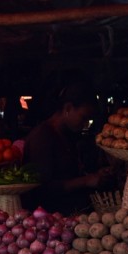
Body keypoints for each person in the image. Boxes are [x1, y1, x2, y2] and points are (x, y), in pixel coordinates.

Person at [23, 76, 112, 214]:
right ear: (68, 108)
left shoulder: (68, 134)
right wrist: (86, 181)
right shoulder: (42, 137)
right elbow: (42, 187)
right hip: (48, 217)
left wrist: (95, 176)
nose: (85, 124)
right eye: (84, 118)